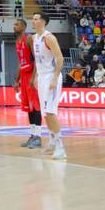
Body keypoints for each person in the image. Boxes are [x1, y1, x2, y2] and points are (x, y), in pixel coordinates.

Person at [30, 12, 66, 160]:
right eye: (32, 19)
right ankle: (52, 142)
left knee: (51, 113)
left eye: (36, 19)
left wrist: (55, 78)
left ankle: (61, 148)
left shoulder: (49, 37)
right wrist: (36, 76)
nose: (33, 21)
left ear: (43, 22)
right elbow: (38, 61)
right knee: (45, 113)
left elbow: (60, 58)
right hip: (42, 77)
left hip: (52, 77)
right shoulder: (34, 38)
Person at [12, 18, 43, 147]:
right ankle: (32, 135)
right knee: (28, 107)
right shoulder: (17, 42)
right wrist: (16, 80)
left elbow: (36, 59)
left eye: (17, 24)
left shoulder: (29, 38)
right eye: (14, 24)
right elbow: (21, 63)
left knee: (36, 106)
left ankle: (39, 137)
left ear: (23, 27)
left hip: (32, 75)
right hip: (24, 76)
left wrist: (34, 77)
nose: (14, 26)